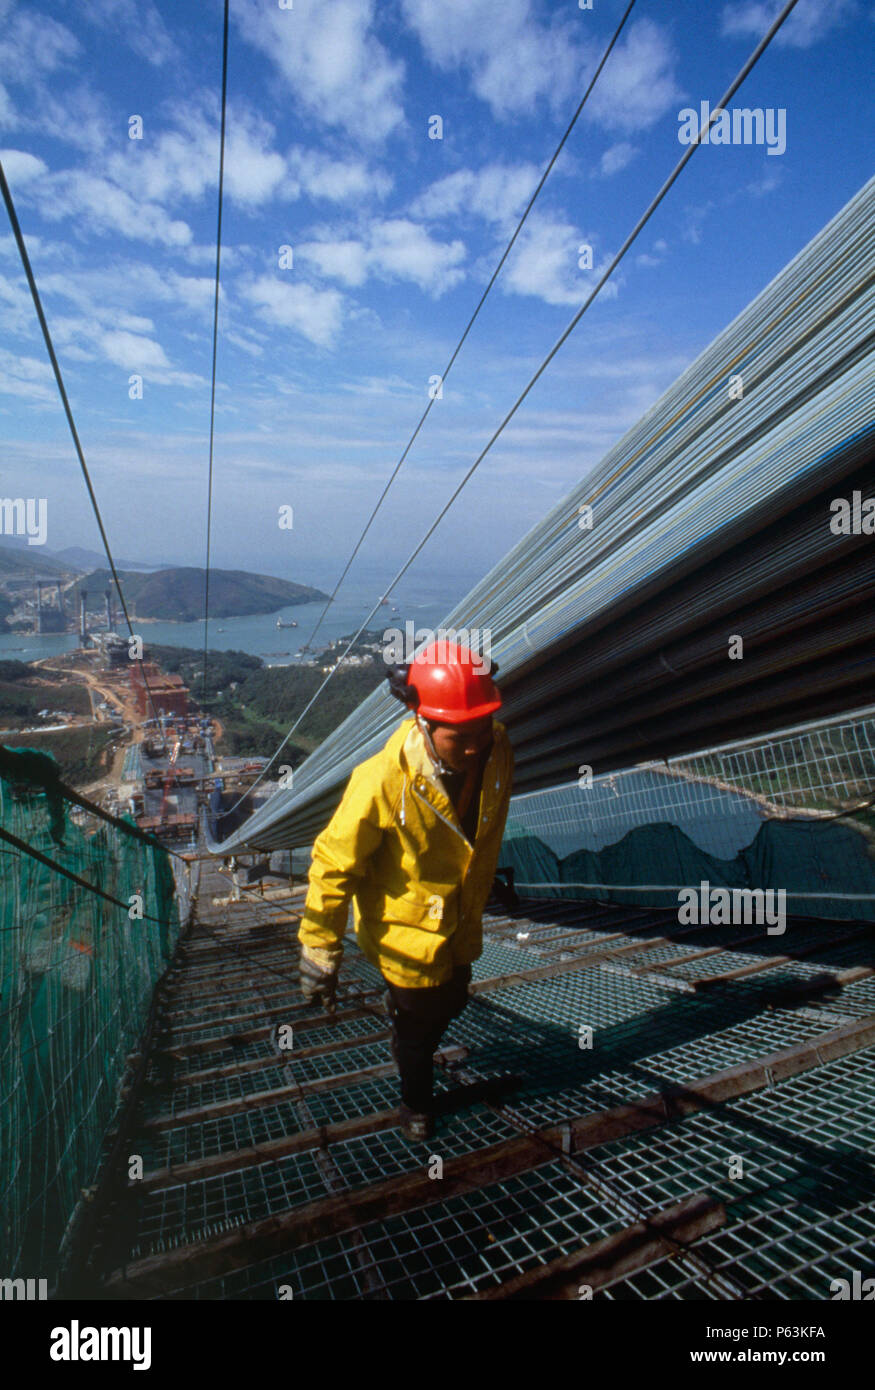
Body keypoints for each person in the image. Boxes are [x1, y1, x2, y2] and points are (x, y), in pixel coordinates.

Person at [297, 641, 514, 1140]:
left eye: (483, 729)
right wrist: (318, 947)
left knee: (454, 999)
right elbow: (334, 863)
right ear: (423, 724)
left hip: (462, 920)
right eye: (461, 736)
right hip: (405, 933)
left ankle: (410, 1039)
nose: (477, 746)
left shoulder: (496, 746)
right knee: (418, 1030)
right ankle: (416, 1103)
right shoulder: (379, 782)